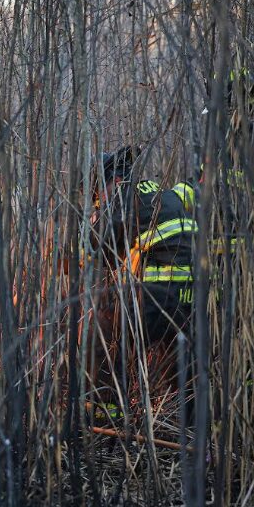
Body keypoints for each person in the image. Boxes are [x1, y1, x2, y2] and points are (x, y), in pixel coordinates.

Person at [84, 145, 197, 425]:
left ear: (117, 181)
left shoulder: (125, 195)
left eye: (100, 195)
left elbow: (101, 246)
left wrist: (94, 222)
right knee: (178, 352)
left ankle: (104, 411)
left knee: (103, 323)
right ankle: (188, 420)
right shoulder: (162, 193)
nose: (100, 202)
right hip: (193, 295)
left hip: (160, 293)